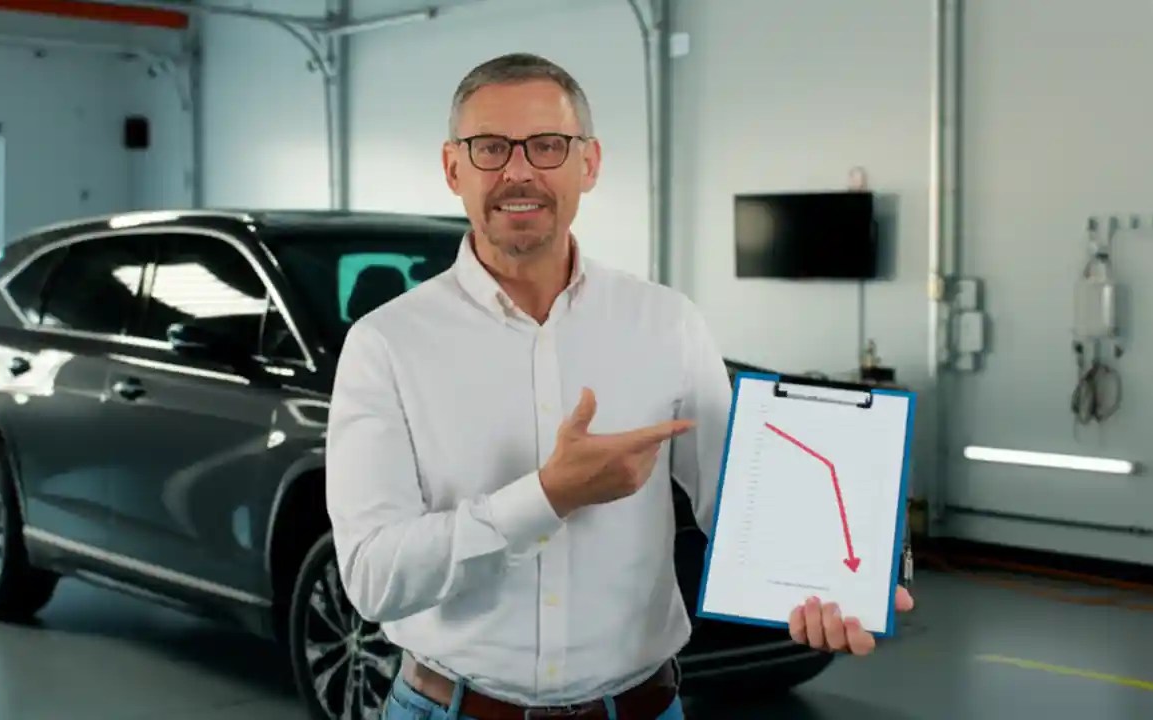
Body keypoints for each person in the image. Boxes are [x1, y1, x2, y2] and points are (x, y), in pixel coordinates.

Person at [325, 52, 914, 720]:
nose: (518, 171)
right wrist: (548, 495)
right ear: (453, 167)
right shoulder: (386, 345)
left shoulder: (665, 323)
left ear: (590, 162)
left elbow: (740, 507)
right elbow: (373, 578)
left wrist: (836, 587)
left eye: (548, 145)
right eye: (490, 147)